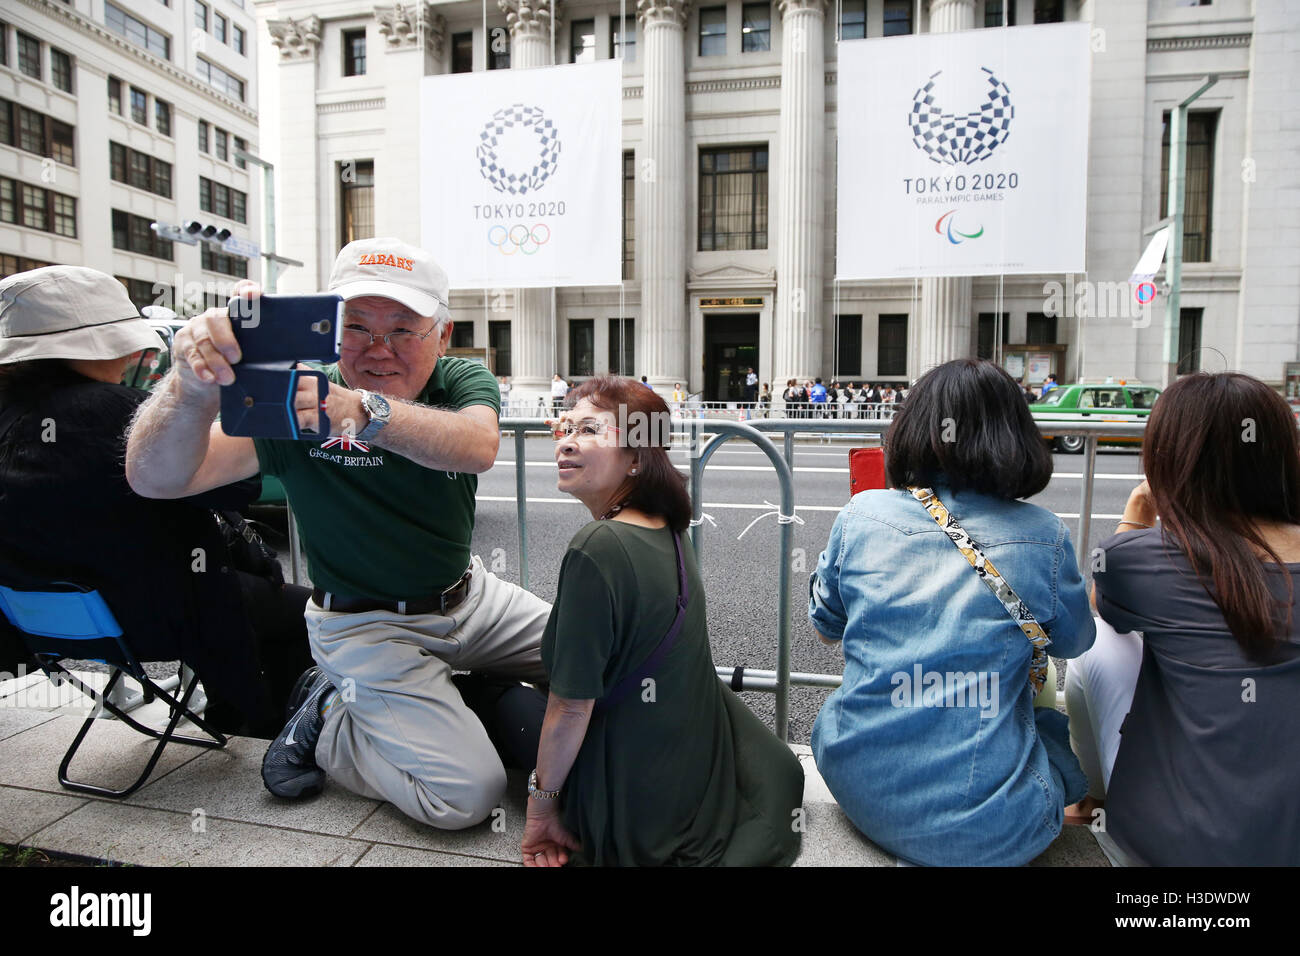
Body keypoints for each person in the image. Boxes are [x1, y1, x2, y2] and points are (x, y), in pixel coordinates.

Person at [126, 238, 551, 828]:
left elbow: (477, 446)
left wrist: (360, 412)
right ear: (331, 330)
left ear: (443, 336)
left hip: (472, 598)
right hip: (362, 627)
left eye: (404, 329)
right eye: (358, 327)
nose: (380, 350)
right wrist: (189, 387)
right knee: (465, 798)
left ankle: (412, 705)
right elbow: (157, 479)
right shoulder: (297, 395)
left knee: (607, 656)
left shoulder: (459, 379)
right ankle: (329, 719)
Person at [0, 266, 314, 737]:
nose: (132, 354)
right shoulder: (113, 409)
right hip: (156, 614)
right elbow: (233, 489)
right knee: (308, 614)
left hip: (36, 621)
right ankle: (266, 724)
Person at [809, 359, 1095, 866]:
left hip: (856, 780)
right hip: (991, 830)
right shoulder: (1044, 534)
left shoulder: (861, 516)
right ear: (1016, 437)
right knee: (1043, 690)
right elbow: (1074, 643)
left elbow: (826, 629)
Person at [521, 376, 803, 866]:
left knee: (499, 702)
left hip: (625, 793)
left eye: (589, 430)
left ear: (635, 457)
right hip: (683, 767)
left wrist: (541, 811)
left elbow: (569, 709)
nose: (566, 441)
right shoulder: (668, 527)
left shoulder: (597, 548)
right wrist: (585, 423)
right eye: (564, 428)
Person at [1065, 372, 1300, 866]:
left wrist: (1138, 506)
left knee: (1100, 638)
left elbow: (1099, 602)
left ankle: (1095, 800)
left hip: (1176, 844)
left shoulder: (1144, 560)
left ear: (1168, 457)